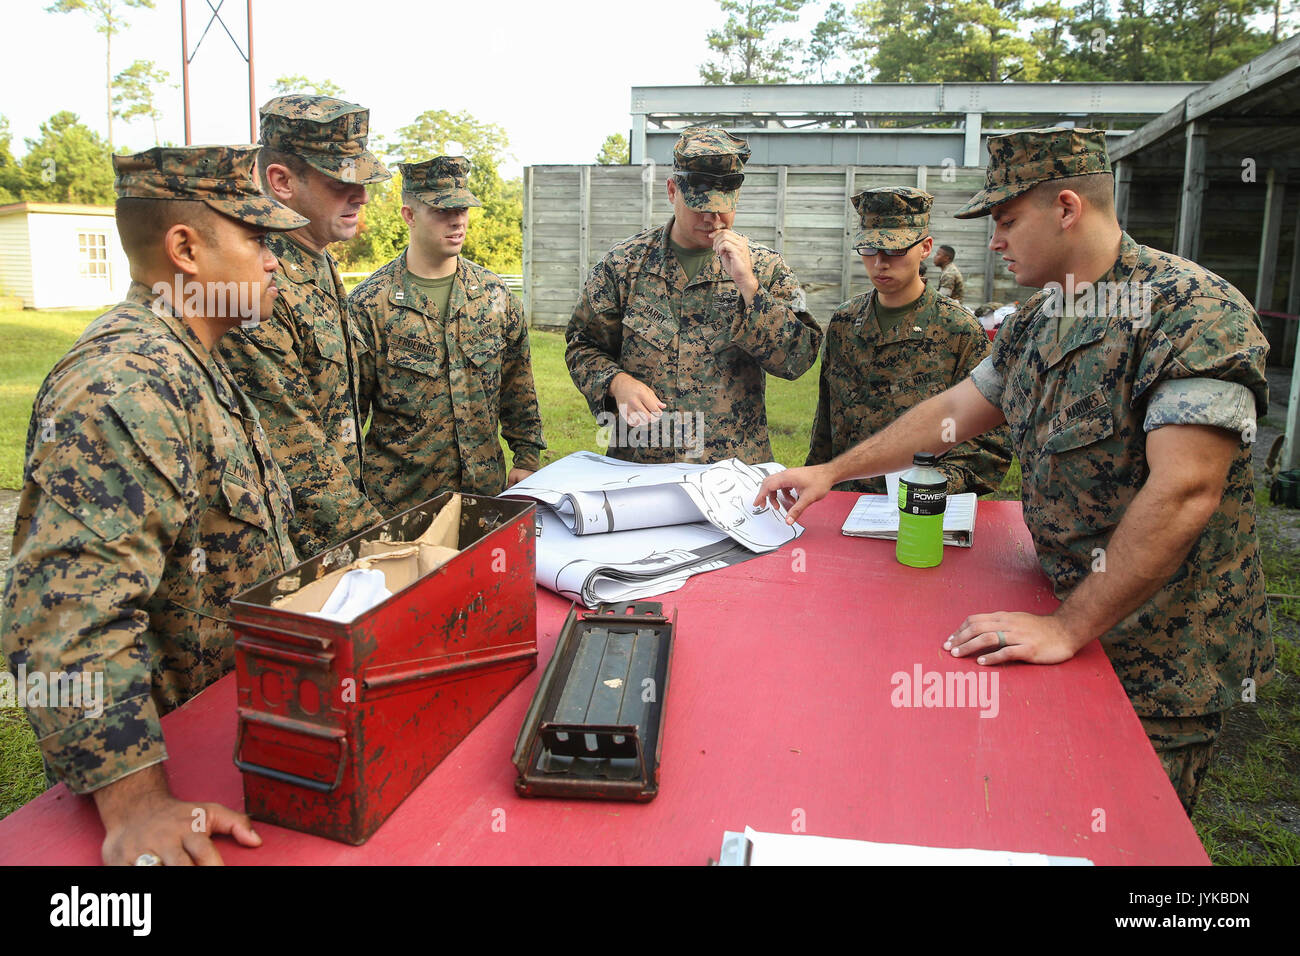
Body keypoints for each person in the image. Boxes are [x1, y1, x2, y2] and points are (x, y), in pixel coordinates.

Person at [756, 127, 1273, 814]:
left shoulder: (1191, 313)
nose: (994, 241)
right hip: (1063, 614)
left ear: (1066, 209)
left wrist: (1067, 627)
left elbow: (1185, 491)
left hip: (1159, 655)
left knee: (1125, 832)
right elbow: (953, 411)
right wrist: (830, 470)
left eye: (1005, 220)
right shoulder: (1041, 319)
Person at [2, 145, 306, 864]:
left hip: (228, 736)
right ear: (186, 249)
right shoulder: (127, 383)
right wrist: (138, 805)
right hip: (171, 763)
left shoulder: (191, 358)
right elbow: (63, 618)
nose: (275, 263)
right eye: (259, 240)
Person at [565, 126, 822, 464]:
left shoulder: (766, 268)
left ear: (737, 197)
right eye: (699, 205)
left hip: (731, 473)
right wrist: (616, 382)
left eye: (721, 207)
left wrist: (749, 286)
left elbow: (798, 359)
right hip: (641, 467)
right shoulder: (623, 265)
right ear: (672, 191)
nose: (711, 218)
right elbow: (583, 346)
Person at [217, 94, 391, 558]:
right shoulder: (258, 280)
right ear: (281, 181)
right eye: (341, 181)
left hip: (328, 541)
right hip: (289, 554)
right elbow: (295, 450)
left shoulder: (315, 260)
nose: (362, 195)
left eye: (363, 179)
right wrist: (385, 550)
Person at [348, 156, 544, 516]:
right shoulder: (370, 304)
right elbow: (348, 415)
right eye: (442, 210)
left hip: (483, 498)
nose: (457, 219)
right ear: (409, 215)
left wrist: (527, 457)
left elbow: (518, 385)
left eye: (463, 208)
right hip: (401, 506)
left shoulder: (493, 295)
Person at [807, 186, 1010, 495]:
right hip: (843, 504)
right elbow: (825, 428)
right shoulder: (844, 323)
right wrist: (818, 478)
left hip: (921, 511)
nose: (879, 263)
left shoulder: (958, 329)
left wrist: (924, 489)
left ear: (925, 248)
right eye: (869, 250)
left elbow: (988, 446)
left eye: (895, 250)